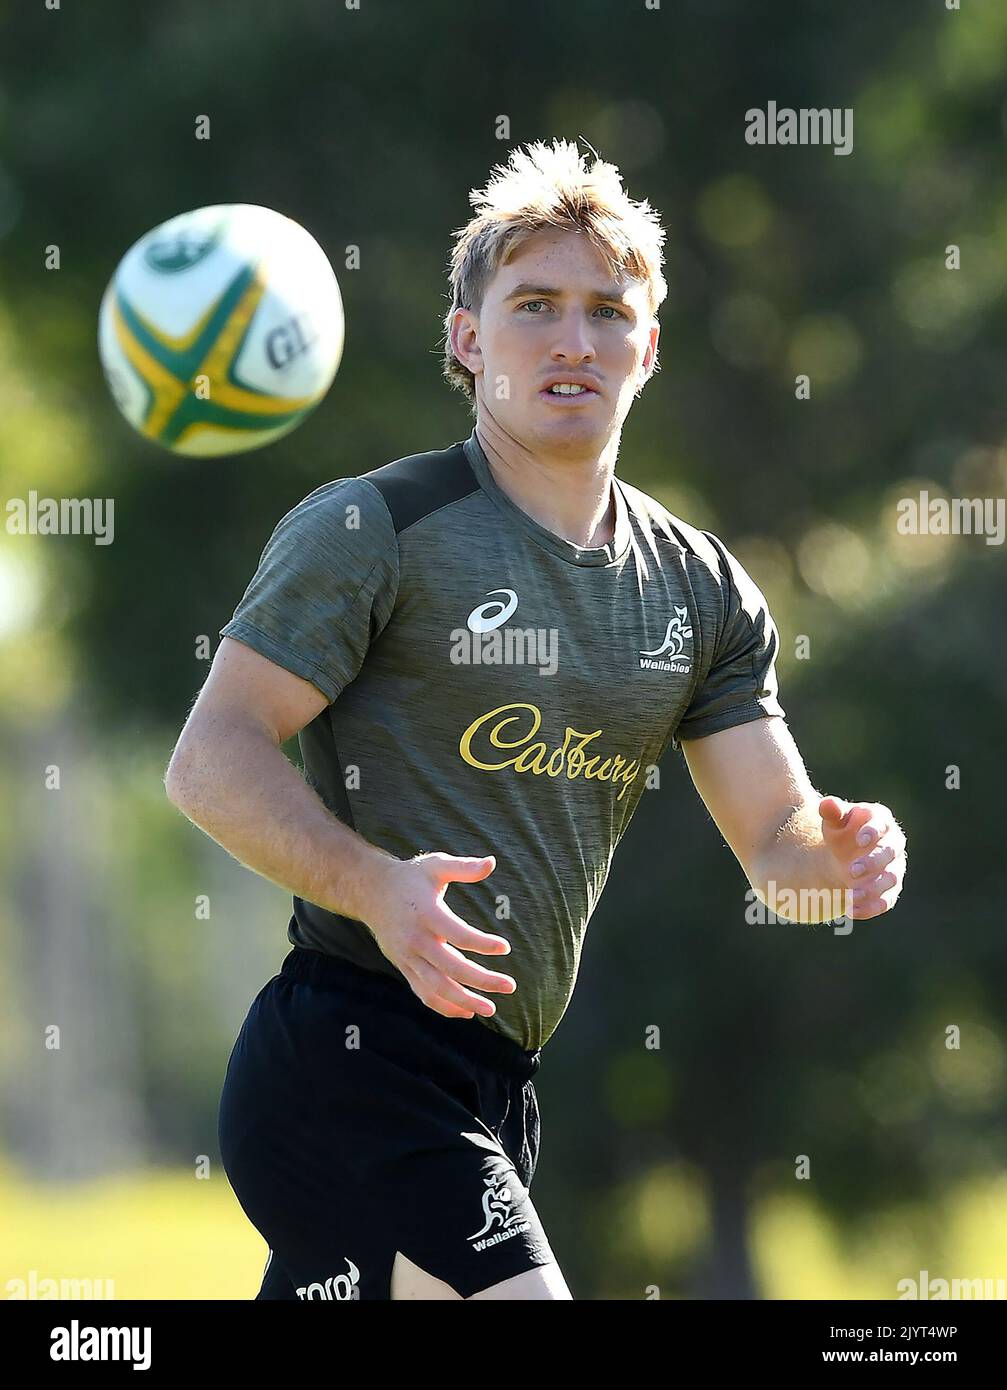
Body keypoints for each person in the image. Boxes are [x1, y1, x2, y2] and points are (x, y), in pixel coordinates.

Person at [165, 138, 907, 1301]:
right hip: (346, 1055)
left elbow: (777, 849)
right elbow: (208, 759)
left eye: (607, 311)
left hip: (498, 1082)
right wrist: (373, 885)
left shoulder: (701, 588)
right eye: (534, 306)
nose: (574, 340)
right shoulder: (372, 529)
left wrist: (841, 856)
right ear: (468, 341)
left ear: (646, 348)